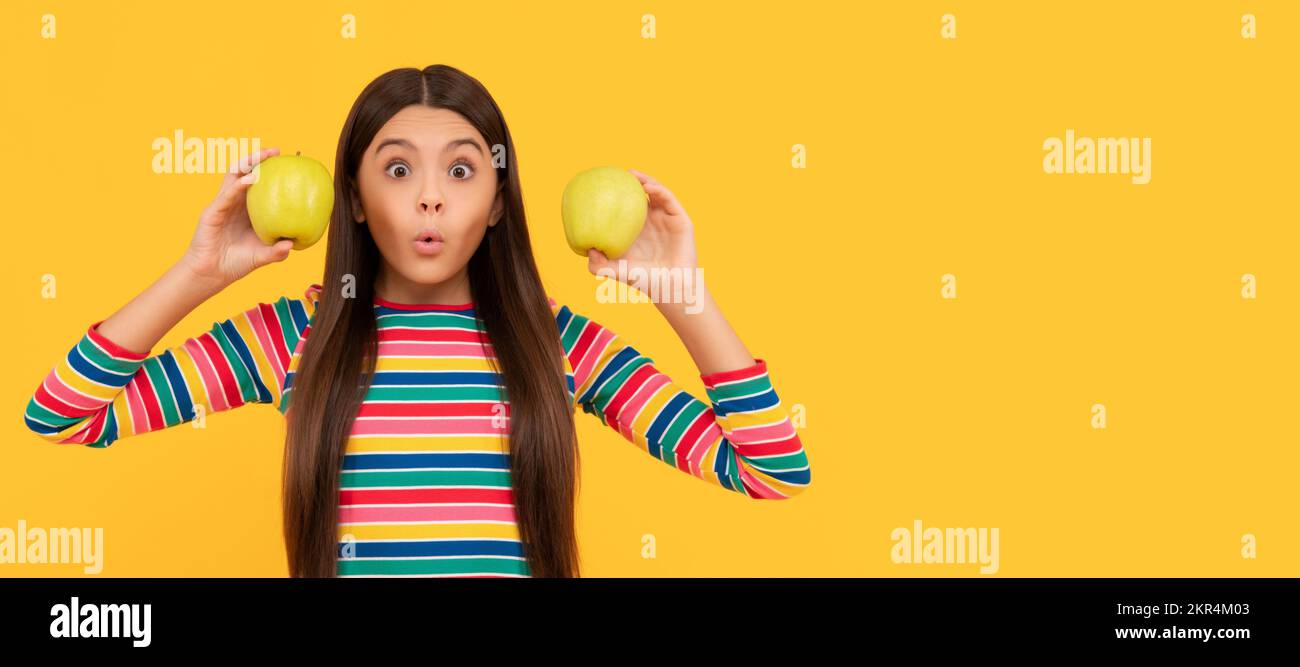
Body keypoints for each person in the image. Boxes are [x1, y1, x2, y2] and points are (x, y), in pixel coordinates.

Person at [22, 64, 810, 578]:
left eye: (462, 170)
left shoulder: (559, 344)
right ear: (356, 201)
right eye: (398, 169)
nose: (430, 197)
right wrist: (197, 273)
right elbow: (62, 414)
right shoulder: (294, 338)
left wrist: (681, 293)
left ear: (498, 202)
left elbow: (772, 470)